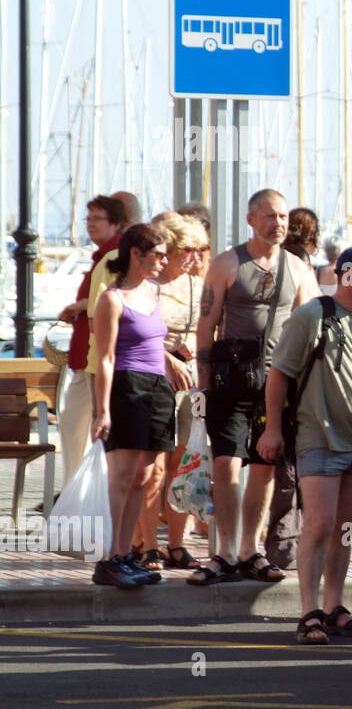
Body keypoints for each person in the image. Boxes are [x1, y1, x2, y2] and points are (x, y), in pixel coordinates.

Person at [258, 245, 352, 644]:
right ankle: (308, 611)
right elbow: (278, 374)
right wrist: (272, 429)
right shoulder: (311, 315)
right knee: (318, 524)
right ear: (349, 275)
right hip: (317, 438)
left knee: (346, 527)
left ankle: (335, 606)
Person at [190, 188, 318, 585]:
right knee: (226, 464)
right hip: (230, 381)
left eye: (282, 217)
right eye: (269, 217)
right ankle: (225, 551)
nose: (278, 223)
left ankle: (251, 549)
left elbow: (311, 326)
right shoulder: (227, 264)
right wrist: (205, 387)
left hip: (276, 383)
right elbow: (206, 327)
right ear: (251, 220)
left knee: (263, 469)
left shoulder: (297, 268)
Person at [87, 223, 175, 588]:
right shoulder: (112, 299)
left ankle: (127, 555)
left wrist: (174, 364)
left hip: (158, 389)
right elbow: (104, 358)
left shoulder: (153, 291)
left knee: (146, 478)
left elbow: (157, 342)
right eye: (158, 254)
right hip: (127, 386)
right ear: (135, 254)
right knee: (122, 477)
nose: (164, 261)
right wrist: (102, 409)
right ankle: (111, 557)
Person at [130, 213, 208, 571]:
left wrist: (194, 348)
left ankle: (177, 545)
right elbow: (135, 333)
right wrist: (170, 355)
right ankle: (145, 544)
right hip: (153, 377)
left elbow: (206, 325)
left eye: (200, 249)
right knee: (154, 467)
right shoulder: (147, 284)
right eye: (188, 250)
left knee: (183, 464)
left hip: (189, 381)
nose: (195, 257)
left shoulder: (196, 283)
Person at [58, 195, 127, 491]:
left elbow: (111, 301)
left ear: (116, 223)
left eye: (97, 219)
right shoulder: (102, 256)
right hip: (86, 356)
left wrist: (80, 306)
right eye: (88, 219)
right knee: (74, 425)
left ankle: (85, 493)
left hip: (98, 357)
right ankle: (78, 490)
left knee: (88, 428)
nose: (90, 225)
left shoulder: (114, 256)